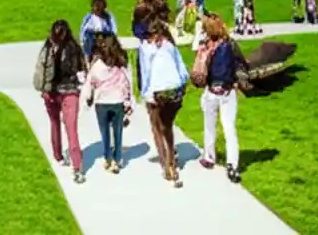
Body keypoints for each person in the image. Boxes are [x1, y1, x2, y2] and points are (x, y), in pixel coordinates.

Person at [195, 15, 247, 184]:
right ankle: (232, 164)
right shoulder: (230, 44)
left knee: (209, 126)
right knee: (229, 128)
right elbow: (241, 64)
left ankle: (209, 156)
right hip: (227, 91)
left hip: (211, 91)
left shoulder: (206, 46)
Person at [33, 19, 86, 184]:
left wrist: (43, 89)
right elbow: (82, 70)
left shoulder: (49, 47)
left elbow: (40, 70)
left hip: (56, 92)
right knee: (69, 128)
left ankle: (62, 158)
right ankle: (74, 166)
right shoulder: (74, 48)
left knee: (58, 124)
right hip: (66, 92)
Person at [139, 20, 189, 188]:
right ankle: (169, 162)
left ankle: (167, 164)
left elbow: (146, 72)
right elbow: (182, 70)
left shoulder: (147, 49)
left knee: (158, 127)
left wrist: (146, 93)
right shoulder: (170, 46)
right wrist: (182, 87)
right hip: (173, 91)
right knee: (166, 127)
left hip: (157, 91)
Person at [84, 33, 133, 174]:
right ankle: (117, 159)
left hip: (102, 103)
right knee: (118, 132)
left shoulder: (97, 65)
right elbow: (127, 83)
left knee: (105, 132)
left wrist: (88, 97)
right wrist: (129, 101)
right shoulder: (121, 64)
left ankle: (107, 158)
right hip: (118, 101)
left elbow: (90, 82)